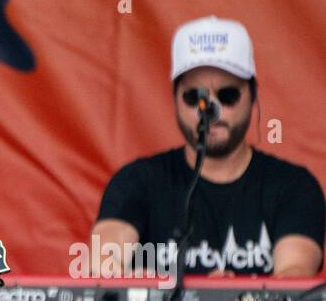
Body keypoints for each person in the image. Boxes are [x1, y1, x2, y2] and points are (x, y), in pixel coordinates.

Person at [92, 15, 324, 280]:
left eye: (227, 95)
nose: (211, 112)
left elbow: (295, 276)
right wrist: (134, 282)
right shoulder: (138, 180)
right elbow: (103, 256)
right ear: (175, 98)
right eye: (196, 98)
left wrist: (234, 299)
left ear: (253, 96)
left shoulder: (293, 185)